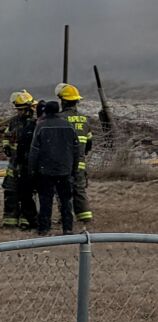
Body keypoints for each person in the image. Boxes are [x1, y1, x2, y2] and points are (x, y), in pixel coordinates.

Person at [28, 100, 82, 235]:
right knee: (65, 201)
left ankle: (44, 228)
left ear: (46, 111)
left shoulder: (41, 126)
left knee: (45, 200)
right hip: (65, 170)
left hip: (45, 170)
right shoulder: (68, 126)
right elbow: (77, 150)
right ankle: (68, 228)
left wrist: (32, 171)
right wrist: (74, 169)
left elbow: (34, 151)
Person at [56, 84, 94, 224]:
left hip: (63, 163)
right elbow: (89, 143)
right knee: (79, 189)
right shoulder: (84, 120)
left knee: (63, 190)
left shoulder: (59, 119)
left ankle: (66, 216)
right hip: (80, 161)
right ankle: (85, 217)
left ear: (63, 101)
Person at [1, 92, 39, 230]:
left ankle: (26, 220)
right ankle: (10, 220)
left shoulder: (36, 123)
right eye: (18, 109)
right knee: (10, 191)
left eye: (21, 109)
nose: (19, 112)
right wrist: (6, 146)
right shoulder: (14, 122)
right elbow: (6, 135)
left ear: (29, 108)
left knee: (28, 193)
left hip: (28, 165)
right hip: (14, 163)